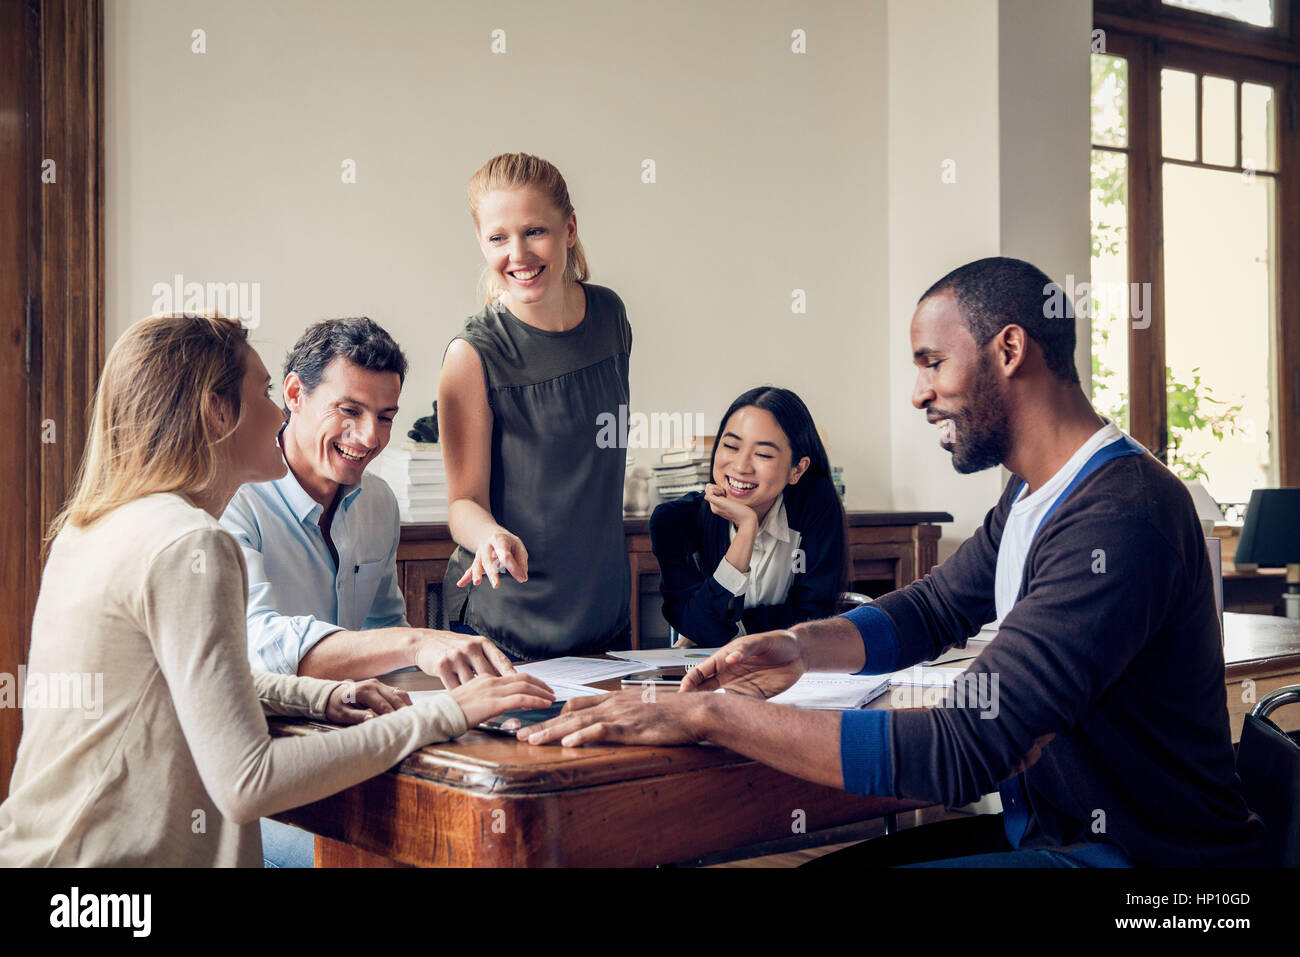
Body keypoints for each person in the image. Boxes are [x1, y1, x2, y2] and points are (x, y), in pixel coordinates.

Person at [516, 257, 1270, 868]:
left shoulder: (1122, 513)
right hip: (1059, 832)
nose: (918, 394)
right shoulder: (1037, 490)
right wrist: (798, 648)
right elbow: (935, 608)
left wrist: (712, 712)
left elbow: (963, 750)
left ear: (1009, 350)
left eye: (932, 363)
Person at [0, 314, 553, 866]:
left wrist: (322, 696)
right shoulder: (192, 543)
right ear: (216, 411)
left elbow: (187, 688)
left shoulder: (95, 525)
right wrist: (446, 713)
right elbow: (248, 782)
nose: (275, 413)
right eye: (263, 391)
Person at [220, 317, 513, 686]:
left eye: (385, 417)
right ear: (295, 394)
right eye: (349, 411)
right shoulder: (232, 500)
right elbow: (257, 644)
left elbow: (385, 628)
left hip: (352, 717)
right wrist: (417, 642)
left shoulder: (379, 502)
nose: (369, 437)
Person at [438, 152, 632, 660]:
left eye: (535, 231)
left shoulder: (611, 316)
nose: (518, 254)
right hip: (506, 622)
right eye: (498, 237)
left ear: (569, 228)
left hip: (602, 615)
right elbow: (463, 505)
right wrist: (492, 535)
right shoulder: (472, 355)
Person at [650, 386, 847, 645]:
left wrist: (731, 628)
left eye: (763, 454)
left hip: (793, 672)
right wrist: (746, 529)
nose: (741, 466)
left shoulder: (815, 504)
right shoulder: (673, 522)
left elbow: (812, 620)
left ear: (797, 469)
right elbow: (698, 625)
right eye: (731, 446)